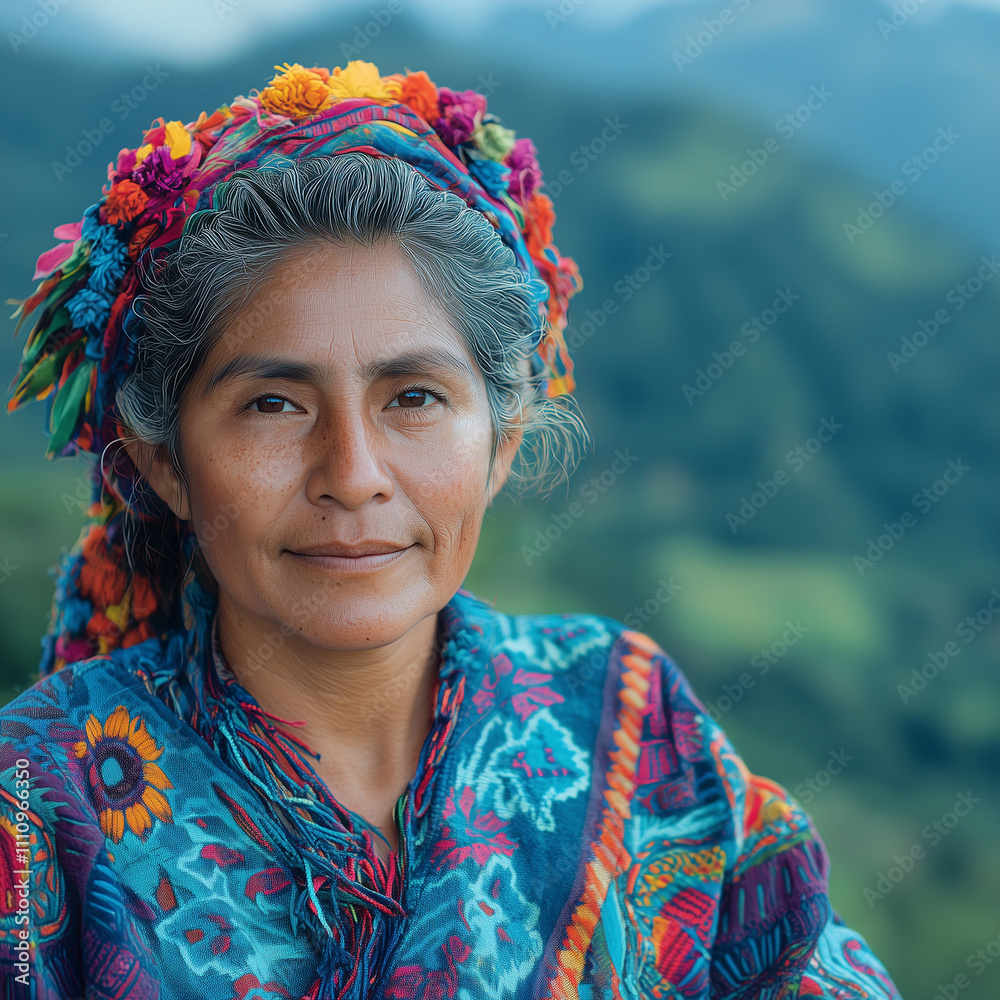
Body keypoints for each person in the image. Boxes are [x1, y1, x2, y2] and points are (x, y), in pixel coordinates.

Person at [0, 59, 903, 999]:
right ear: (164, 461)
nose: (353, 475)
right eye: (273, 404)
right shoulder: (36, 804)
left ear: (502, 440)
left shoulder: (634, 727)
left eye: (415, 397)